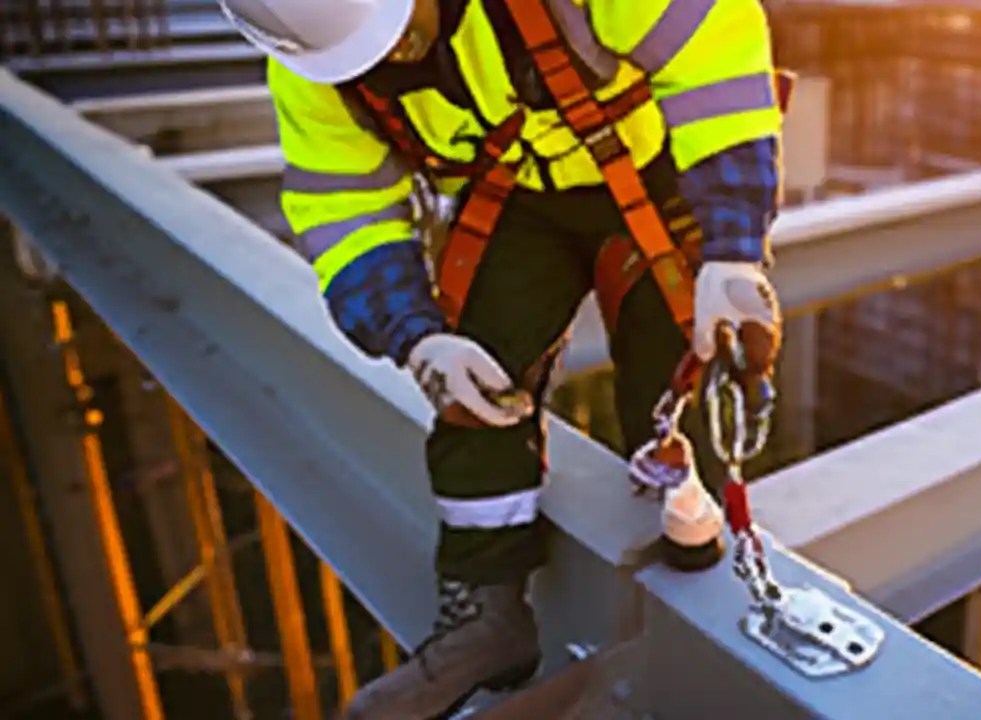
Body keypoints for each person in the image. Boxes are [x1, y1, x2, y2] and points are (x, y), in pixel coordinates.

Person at [216, 0, 786, 716]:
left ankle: (706, 557)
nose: (395, 60)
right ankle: (488, 611)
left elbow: (716, 62)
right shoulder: (313, 62)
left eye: (403, 36)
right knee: (478, 377)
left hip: (656, 170)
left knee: (684, 366)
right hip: (516, 202)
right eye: (370, 56)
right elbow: (343, 210)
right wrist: (417, 337)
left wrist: (734, 251)